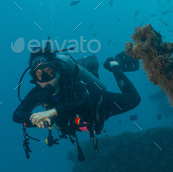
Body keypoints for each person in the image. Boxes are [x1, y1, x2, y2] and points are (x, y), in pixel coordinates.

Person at [13, 41, 141, 160]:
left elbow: (84, 102)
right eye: (40, 75)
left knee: (134, 99)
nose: (46, 79)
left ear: (57, 71)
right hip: (79, 121)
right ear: (34, 79)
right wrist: (34, 119)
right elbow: (17, 116)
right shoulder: (37, 93)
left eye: (49, 72)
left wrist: (52, 112)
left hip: (98, 103)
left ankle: (114, 66)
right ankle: (92, 66)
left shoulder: (70, 83)